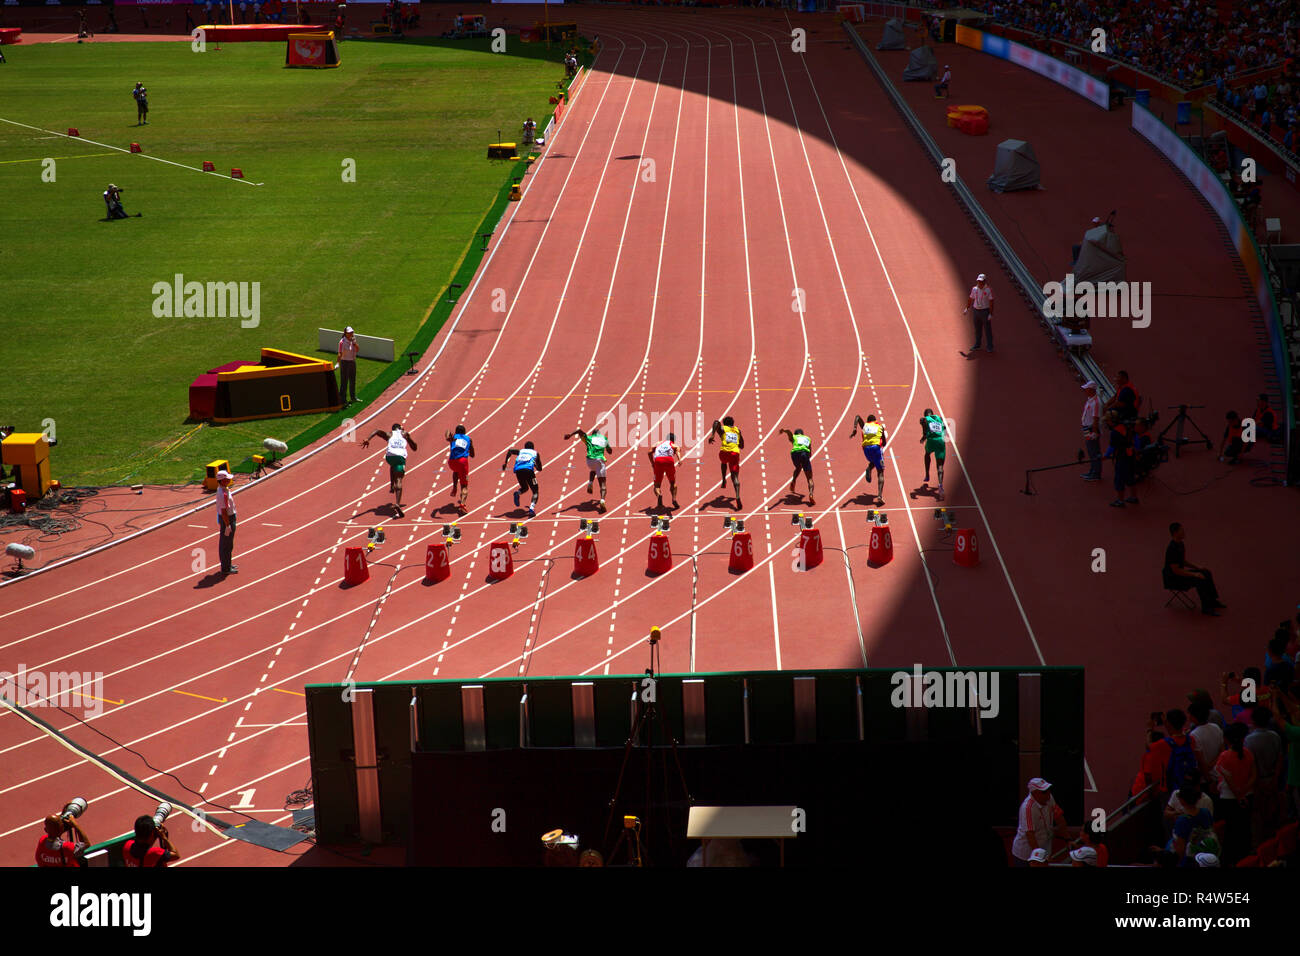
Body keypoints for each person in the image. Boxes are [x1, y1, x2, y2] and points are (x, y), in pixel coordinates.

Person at [1211, 721, 1256, 864]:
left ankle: (1233, 859)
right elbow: (1254, 775)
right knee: (1245, 827)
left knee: (1231, 831)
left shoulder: (1224, 756)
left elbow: (1228, 779)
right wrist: (1244, 791)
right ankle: (1246, 856)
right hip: (1248, 796)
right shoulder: (1248, 753)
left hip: (1230, 800)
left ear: (1226, 739)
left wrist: (1238, 795)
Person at [1163, 522, 1224, 615]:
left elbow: (1182, 561)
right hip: (1174, 579)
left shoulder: (1181, 544)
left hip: (1181, 574)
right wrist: (1195, 574)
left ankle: (1213, 600)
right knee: (1199, 579)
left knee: (1206, 572)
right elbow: (1176, 570)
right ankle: (1206, 608)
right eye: (1181, 530)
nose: (1184, 532)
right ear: (1175, 533)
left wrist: (1198, 567)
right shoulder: (1172, 548)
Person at [362, 424, 418, 518]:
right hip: (400, 457)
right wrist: (408, 438)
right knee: (399, 480)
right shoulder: (404, 433)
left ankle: (392, 485)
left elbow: (377, 430)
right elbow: (414, 448)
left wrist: (368, 439)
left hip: (389, 457)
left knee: (393, 466)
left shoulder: (389, 434)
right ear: (400, 429)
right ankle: (397, 503)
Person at [1010, 777, 1069, 866]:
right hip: (1026, 855)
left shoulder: (1049, 798)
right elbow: (1030, 834)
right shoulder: (1028, 808)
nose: (1048, 794)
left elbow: (1059, 817)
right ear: (1034, 793)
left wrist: (1068, 839)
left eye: (1048, 790)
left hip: (1043, 848)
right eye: (1044, 792)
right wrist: (1039, 858)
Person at [564, 425, 610, 512]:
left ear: (592, 434)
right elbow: (610, 451)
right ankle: (602, 500)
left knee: (593, 469)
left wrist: (570, 435)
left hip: (589, 461)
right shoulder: (604, 439)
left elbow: (579, 430)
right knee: (603, 484)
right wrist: (606, 448)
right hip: (599, 461)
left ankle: (590, 482)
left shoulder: (588, 438)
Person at [849, 413, 888, 506]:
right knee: (880, 471)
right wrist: (881, 445)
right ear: (875, 421)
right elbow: (885, 442)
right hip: (876, 447)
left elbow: (857, 416)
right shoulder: (880, 427)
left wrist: (855, 429)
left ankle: (869, 468)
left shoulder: (865, 426)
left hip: (866, 449)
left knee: (874, 461)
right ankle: (879, 495)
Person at [707, 416, 744, 510]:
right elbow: (742, 445)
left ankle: (723, 479)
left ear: (724, 423)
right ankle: (738, 496)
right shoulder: (737, 430)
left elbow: (715, 422)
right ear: (733, 423)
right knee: (735, 477)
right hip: (734, 453)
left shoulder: (723, 428)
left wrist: (712, 435)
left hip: (724, 452)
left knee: (723, 462)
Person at [1104, 410, 1138, 507]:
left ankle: (1120, 500)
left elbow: (1112, 447)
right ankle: (1133, 497)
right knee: (1130, 477)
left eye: (1107, 421)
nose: (1107, 423)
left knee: (1119, 479)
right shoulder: (1127, 426)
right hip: (1131, 456)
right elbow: (1136, 440)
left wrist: (1105, 456)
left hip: (1122, 457)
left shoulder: (1114, 433)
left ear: (1112, 421)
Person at [501, 441, 542, 517]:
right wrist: (535, 465)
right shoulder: (535, 453)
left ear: (525, 447)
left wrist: (505, 463)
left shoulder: (521, 451)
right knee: (535, 491)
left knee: (525, 487)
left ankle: (518, 493)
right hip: (529, 470)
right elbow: (540, 469)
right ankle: (532, 509)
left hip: (518, 470)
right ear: (533, 448)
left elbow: (510, 451)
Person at [779, 427, 815, 506]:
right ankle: (811, 494)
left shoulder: (794, 437)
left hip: (795, 454)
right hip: (805, 453)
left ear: (796, 434)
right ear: (802, 434)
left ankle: (794, 480)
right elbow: (810, 451)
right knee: (809, 478)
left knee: (798, 468)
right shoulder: (807, 438)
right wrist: (807, 460)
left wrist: (784, 430)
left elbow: (789, 432)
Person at [647, 432, 682, 510]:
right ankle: (674, 499)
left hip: (658, 461)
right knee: (672, 482)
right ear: (673, 440)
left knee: (657, 485)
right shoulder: (673, 444)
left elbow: (649, 452)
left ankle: (659, 495)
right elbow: (677, 450)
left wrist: (653, 463)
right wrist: (679, 459)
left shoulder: (658, 443)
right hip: (669, 461)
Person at [445, 424, 474, 514]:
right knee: (464, 486)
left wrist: (451, 437)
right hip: (462, 462)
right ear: (465, 432)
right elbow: (473, 455)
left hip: (452, 462)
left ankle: (454, 487)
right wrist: (469, 449)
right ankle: (462, 504)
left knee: (456, 471)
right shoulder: (468, 439)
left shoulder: (454, 436)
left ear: (456, 431)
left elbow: (447, 433)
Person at [918, 409, 947, 499]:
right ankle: (940, 485)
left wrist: (923, 438)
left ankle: (927, 474)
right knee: (940, 466)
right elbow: (945, 428)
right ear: (933, 414)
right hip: (940, 441)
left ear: (925, 415)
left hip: (931, 441)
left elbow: (925, 430)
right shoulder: (939, 418)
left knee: (927, 454)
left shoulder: (924, 419)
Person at [962, 274, 994, 352]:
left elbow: (991, 302)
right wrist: (967, 307)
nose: (979, 283)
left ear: (984, 282)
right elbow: (970, 298)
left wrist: (990, 313)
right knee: (977, 329)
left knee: (987, 330)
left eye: (981, 281)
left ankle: (990, 346)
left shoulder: (988, 290)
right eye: (978, 281)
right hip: (976, 311)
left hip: (985, 311)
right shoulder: (974, 289)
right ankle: (977, 344)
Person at [215, 468, 238, 575]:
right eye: (227, 479)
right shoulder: (222, 493)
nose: (229, 480)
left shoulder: (224, 489)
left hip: (228, 518)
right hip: (227, 519)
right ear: (222, 480)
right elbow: (224, 511)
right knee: (226, 544)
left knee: (228, 543)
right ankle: (225, 568)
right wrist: (228, 525)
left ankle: (227, 564)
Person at [1079, 381, 1102, 480]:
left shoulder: (1096, 403)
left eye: (1087, 389)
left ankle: (1096, 473)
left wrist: (1094, 432)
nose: (1085, 390)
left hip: (1091, 429)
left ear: (1091, 389)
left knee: (1094, 450)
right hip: (1087, 428)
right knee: (1090, 450)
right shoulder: (1090, 400)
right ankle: (1093, 470)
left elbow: (1096, 419)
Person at [337, 326, 359, 405]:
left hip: (352, 362)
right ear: (345, 333)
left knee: (352, 380)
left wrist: (355, 343)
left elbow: (357, 349)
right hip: (345, 362)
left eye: (352, 332)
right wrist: (338, 363)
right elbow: (340, 353)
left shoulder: (353, 339)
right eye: (349, 332)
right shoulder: (342, 342)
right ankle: (343, 400)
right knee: (344, 382)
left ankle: (353, 397)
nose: (351, 334)